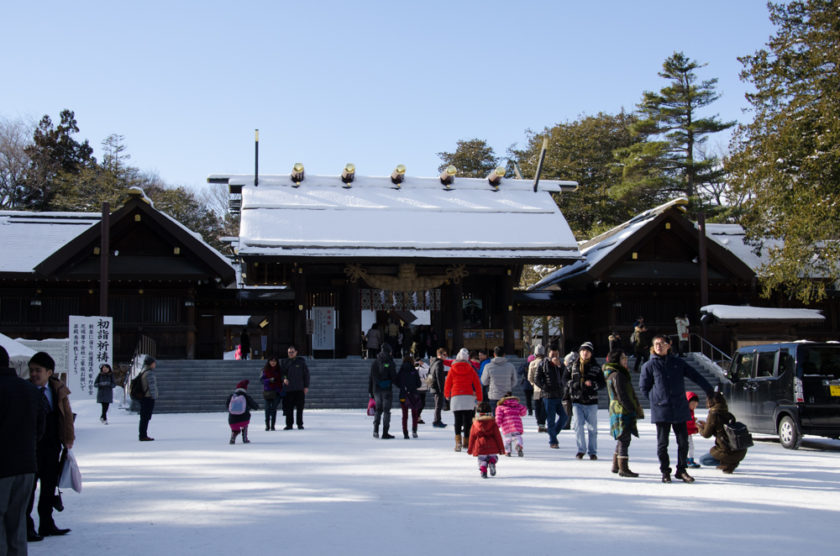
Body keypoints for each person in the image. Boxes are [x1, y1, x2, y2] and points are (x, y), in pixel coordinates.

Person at [639, 335, 713, 483]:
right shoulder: (649, 365)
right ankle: (665, 471)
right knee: (662, 443)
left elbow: (695, 375)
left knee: (683, 442)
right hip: (662, 409)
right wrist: (656, 400)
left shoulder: (678, 363)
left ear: (668, 345)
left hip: (679, 407)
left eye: (662, 343)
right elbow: (644, 387)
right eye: (656, 344)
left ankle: (681, 470)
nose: (659, 346)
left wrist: (709, 389)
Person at [1, 346, 46, 552]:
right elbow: (40, 428)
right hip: (26, 465)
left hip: (2, 468)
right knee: (18, 522)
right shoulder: (30, 390)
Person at [26, 351, 74, 540]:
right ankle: (27, 525)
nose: (34, 374)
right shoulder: (26, 390)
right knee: (29, 489)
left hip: (52, 445)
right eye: (31, 370)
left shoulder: (58, 390)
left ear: (49, 372)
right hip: (30, 447)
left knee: (49, 486)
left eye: (38, 370)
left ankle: (46, 522)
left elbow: (67, 416)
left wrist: (68, 438)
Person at [603, 350, 644, 478]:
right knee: (624, 439)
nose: (625, 360)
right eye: (623, 358)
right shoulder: (617, 375)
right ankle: (623, 468)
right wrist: (631, 408)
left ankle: (616, 465)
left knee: (622, 438)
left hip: (616, 409)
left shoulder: (612, 373)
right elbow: (622, 394)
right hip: (621, 410)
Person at [564, 342, 605, 460]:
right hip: (576, 400)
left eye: (587, 351)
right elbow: (564, 379)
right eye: (583, 350)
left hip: (591, 401)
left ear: (591, 353)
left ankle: (592, 451)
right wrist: (575, 384)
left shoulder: (596, 367)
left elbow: (602, 383)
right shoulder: (572, 366)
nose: (585, 353)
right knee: (578, 425)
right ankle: (581, 449)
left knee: (592, 428)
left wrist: (592, 385)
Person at [697, 392, 748, 473]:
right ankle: (731, 462)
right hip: (740, 450)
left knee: (703, 460)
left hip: (727, 451)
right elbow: (720, 427)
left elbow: (706, 434)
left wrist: (699, 427)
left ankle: (728, 463)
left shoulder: (713, 413)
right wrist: (706, 424)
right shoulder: (727, 413)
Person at [443, 348, 483, 452]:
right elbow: (477, 384)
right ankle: (466, 441)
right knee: (468, 420)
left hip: (456, 396)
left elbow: (448, 383)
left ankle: (458, 442)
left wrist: (447, 394)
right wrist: (479, 398)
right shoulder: (471, 369)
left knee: (457, 420)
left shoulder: (452, 369)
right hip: (469, 396)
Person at [534, 348, 568, 449]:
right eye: (552, 353)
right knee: (551, 419)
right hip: (548, 396)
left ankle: (552, 432)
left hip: (558, 395)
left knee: (564, 417)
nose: (554, 356)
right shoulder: (543, 364)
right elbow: (536, 378)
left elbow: (565, 376)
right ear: (548, 354)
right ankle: (553, 441)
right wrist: (544, 387)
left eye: (556, 354)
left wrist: (560, 366)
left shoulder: (560, 364)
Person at [467, 401, 506, 478]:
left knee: (482, 460)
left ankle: (483, 470)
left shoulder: (475, 424)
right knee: (494, 457)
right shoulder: (493, 423)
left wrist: (470, 449)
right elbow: (498, 437)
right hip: (492, 446)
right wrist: (501, 449)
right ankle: (492, 462)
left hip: (480, 446)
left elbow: (472, 437)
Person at [368, 343, 398, 439]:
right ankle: (385, 432)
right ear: (389, 351)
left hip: (376, 390)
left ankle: (375, 430)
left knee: (378, 410)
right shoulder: (390, 362)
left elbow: (371, 378)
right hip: (387, 390)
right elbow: (394, 377)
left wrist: (370, 391)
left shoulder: (375, 362)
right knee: (386, 411)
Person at [281, 344, 310, 430]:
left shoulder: (301, 362)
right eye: (289, 352)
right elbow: (282, 373)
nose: (290, 354)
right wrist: (284, 379)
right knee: (289, 408)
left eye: (292, 352)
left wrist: (306, 386)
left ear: (296, 352)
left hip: (299, 388)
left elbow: (306, 375)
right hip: (289, 389)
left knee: (300, 408)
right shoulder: (285, 362)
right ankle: (289, 424)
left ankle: (299, 424)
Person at [396, 353, 422, 439]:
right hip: (413, 395)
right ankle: (414, 430)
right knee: (414, 414)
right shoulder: (414, 371)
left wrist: (403, 387)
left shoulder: (401, 370)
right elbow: (419, 384)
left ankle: (405, 432)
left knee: (405, 415)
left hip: (403, 394)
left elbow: (397, 382)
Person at [226, 380, 259, 444]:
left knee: (235, 427)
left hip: (232, 421)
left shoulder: (231, 396)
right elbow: (255, 406)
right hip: (244, 420)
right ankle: (245, 438)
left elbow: (227, 406)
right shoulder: (246, 397)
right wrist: (248, 407)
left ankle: (234, 434)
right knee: (245, 424)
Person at [495, 392, 527, 457]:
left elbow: (498, 417)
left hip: (507, 427)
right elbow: (523, 413)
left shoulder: (500, 407)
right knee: (517, 437)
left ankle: (507, 452)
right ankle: (518, 445)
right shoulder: (517, 405)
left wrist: (496, 426)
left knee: (507, 439)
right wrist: (520, 406)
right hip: (517, 425)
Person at [259, 355, 284, 431]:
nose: (273, 362)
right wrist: (269, 380)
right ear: (269, 361)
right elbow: (261, 380)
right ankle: (267, 425)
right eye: (271, 361)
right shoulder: (264, 370)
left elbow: (283, 378)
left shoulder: (280, 370)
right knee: (267, 409)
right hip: (268, 392)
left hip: (277, 392)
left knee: (273, 409)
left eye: (274, 361)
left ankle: (273, 425)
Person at [527, 345, 547, 432]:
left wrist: (533, 384)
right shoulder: (546, 362)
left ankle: (539, 423)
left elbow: (529, 377)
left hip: (536, 388)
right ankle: (542, 423)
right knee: (544, 406)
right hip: (546, 389)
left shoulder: (532, 363)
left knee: (537, 406)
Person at [138, 356, 158, 441]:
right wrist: (154, 396)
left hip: (144, 397)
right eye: (154, 363)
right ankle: (143, 435)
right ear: (150, 364)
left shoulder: (143, 371)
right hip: (148, 397)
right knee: (145, 417)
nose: (155, 364)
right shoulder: (149, 373)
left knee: (144, 417)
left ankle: (142, 434)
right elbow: (152, 386)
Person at [428, 347, 449, 428]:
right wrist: (442, 389)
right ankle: (437, 421)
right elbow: (438, 376)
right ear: (440, 355)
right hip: (437, 387)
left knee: (438, 405)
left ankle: (437, 420)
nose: (446, 356)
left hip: (433, 386)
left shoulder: (433, 362)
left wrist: (446, 373)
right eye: (444, 354)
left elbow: (432, 373)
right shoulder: (439, 363)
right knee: (438, 405)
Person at [685, 391, 702, 468]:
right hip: (685, 433)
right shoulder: (685, 411)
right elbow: (688, 423)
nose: (694, 407)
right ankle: (688, 460)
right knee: (688, 446)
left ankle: (689, 459)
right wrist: (695, 425)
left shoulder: (690, 411)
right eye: (693, 404)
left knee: (690, 446)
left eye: (696, 405)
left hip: (688, 432)